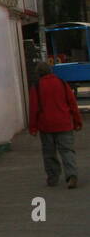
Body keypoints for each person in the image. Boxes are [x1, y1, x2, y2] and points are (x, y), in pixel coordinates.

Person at [29, 61, 80, 189]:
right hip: (64, 123)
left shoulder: (36, 86)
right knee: (67, 151)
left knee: (49, 153)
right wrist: (77, 121)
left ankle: (53, 178)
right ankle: (71, 175)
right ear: (51, 71)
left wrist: (33, 127)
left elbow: (34, 108)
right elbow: (72, 103)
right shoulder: (62, 83)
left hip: (46, 125)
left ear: (38, 73)